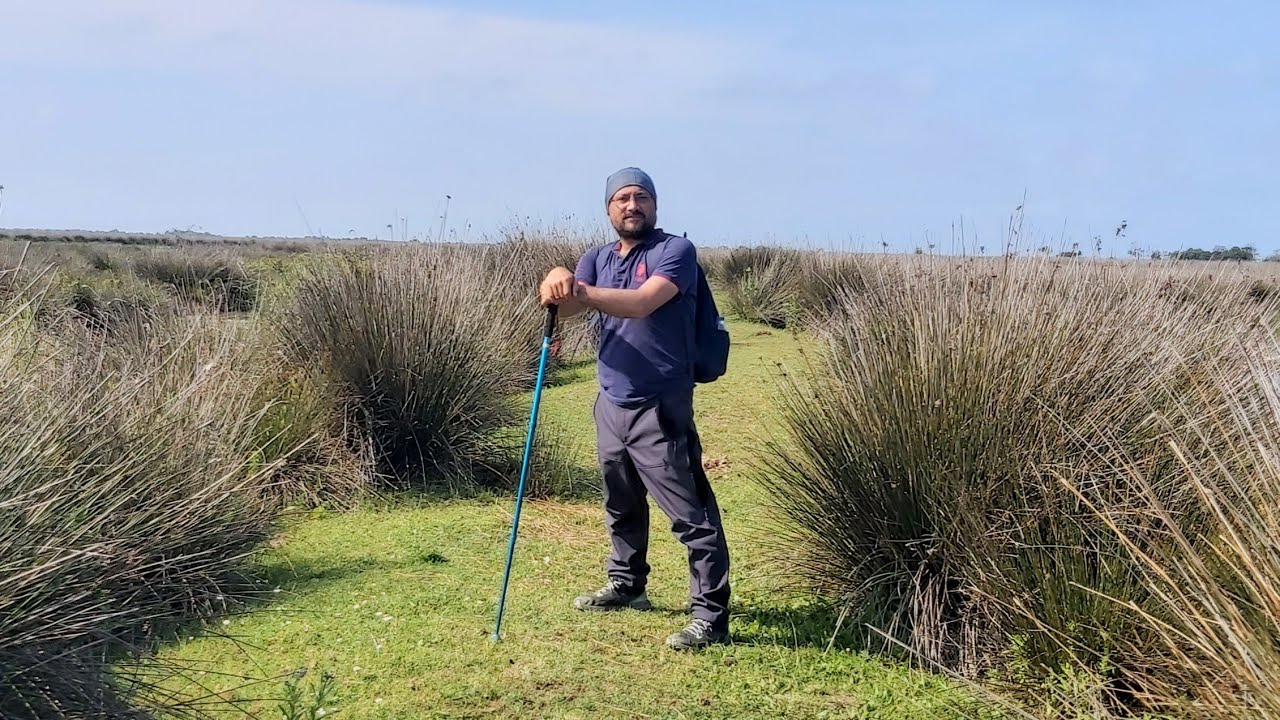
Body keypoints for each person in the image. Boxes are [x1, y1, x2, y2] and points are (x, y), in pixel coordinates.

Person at [538, 167, 731, 650]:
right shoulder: (596, 258)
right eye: (622, 198)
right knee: (620, 500)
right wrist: (557, 282)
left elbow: (645, 302)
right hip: (611, 401)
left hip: (660, 402)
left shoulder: (675, 252)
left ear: (655, 205)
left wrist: (578, 291)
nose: (632, 206)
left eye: (641, 197)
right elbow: (568, 308)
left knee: (689, 511)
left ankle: (711, 615)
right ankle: (627, 585)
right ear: (608, 209)